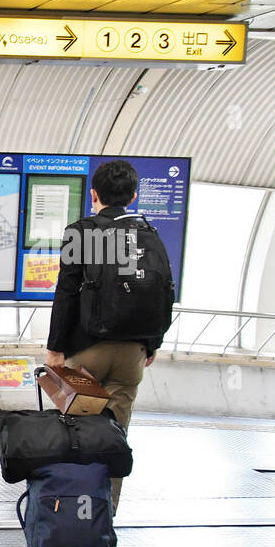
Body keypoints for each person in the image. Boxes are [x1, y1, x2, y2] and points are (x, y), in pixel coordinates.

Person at [46, 159, 171, 512]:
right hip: (133, 353)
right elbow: (163, 290)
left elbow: (67, 291)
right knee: (114, 436)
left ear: (94, 194)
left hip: (86, 349)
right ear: (132, 196)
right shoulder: (149, 233)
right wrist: (152, 342)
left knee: (74, 431)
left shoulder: (81, 232)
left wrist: (55, 349)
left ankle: (66, 510)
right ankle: (103, 513)